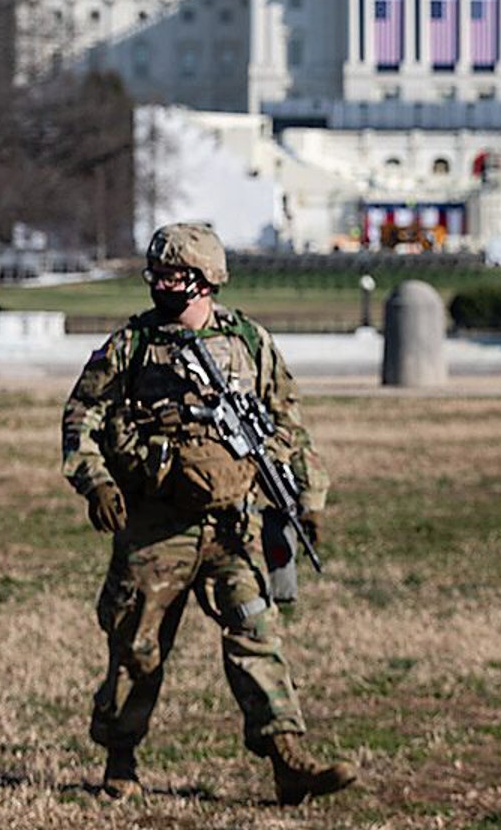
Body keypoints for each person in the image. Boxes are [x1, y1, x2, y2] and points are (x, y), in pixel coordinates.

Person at [60, 222, 357, 805]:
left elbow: (288, 425)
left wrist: (308, 497)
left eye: (175, 275)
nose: (163, 284)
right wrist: (95, 482)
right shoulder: (133, 345)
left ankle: (287, 758)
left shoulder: (249, 341)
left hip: (233, 526)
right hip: (157, 527)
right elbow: (81, 416)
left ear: (205, 279)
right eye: (157, 275)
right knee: (137, 647)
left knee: (256, 634)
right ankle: (121, 759)